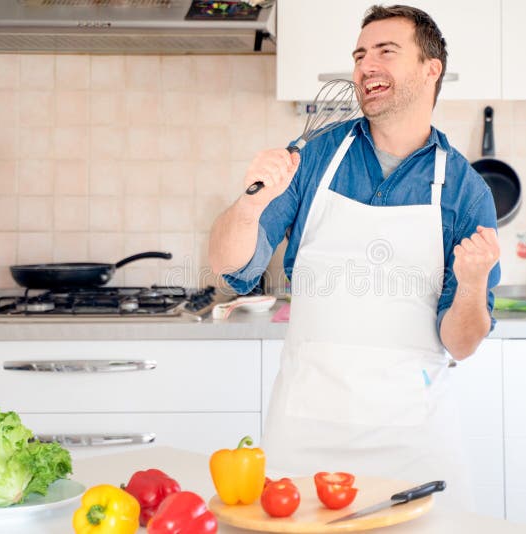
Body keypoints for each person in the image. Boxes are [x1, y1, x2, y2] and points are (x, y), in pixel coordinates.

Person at [209, 4, 500, 509]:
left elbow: (462, 343)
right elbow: (233, 269)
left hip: (414, 444)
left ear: (431, 69)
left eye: (386, 51)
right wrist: (250, 202)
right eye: (360, 54)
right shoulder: (315, 156)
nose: (366, 66)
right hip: (302, 438)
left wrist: (473, 285)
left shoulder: (464, 190)